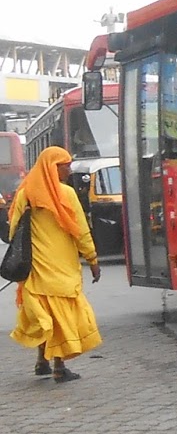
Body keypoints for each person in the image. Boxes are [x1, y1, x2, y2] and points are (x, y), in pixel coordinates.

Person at [8, 146, 101, 382]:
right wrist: (92, 258)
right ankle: (59, 367)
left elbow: (14, 231)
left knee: (45, 315)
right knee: (63, 316)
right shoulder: (66, 195)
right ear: (52, 167)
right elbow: (80, 230)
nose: (69, 169)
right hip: (62, 267)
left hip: (37, 268)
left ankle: (42, 361)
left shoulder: (26, 193)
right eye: (64, 165)